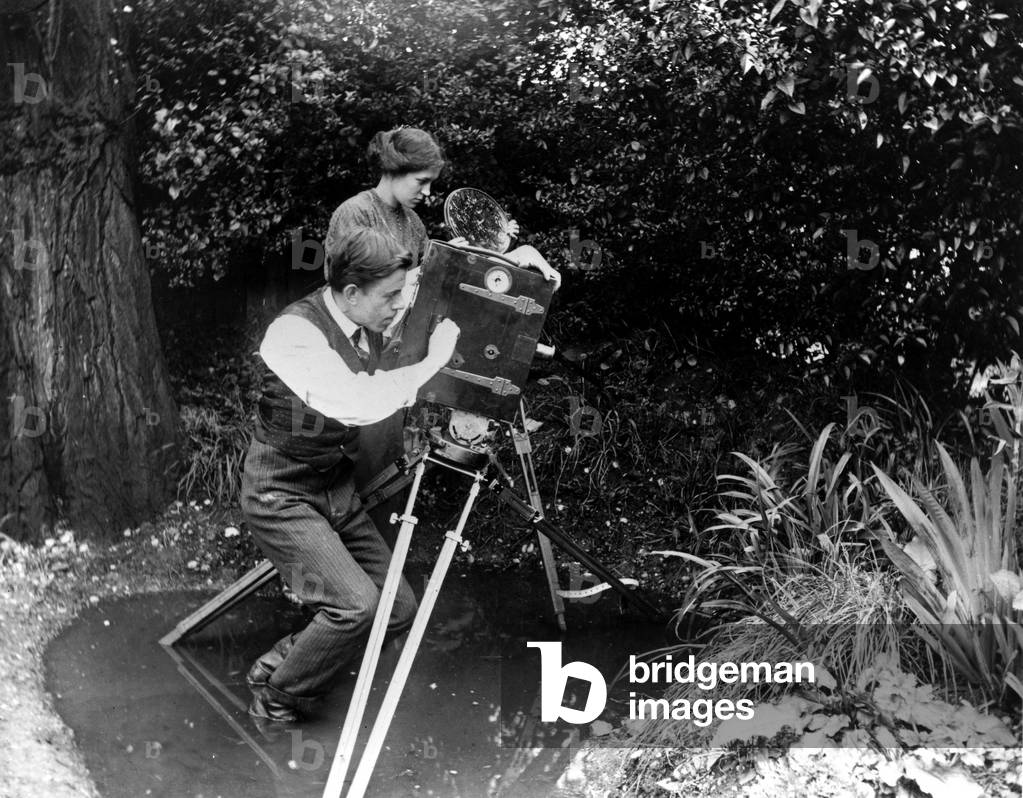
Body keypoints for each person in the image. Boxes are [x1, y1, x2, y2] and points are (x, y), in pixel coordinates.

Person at [240, 227, 460, 722]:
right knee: (355, 607)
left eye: (404, 292)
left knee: (397, 609)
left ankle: (280, 664)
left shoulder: (371, 301)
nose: (401, 305)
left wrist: (518, 255)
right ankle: (276, 703)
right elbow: (356, 402)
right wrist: (434, 362)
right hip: (281, 491)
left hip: (334, 488)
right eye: (391, 297)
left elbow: (438, 271)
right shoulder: (294, 333)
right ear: (351, 292)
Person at [324, 128, 562, 528]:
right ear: (394, 169)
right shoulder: (355, 214)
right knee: (351, 471)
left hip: (391, 361)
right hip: (352, 359)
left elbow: (427, 292)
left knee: (381, 474)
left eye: (432, 183)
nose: (428, 192)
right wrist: (447, 261)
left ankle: (375, 573)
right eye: (421, 181)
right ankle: (345, 572)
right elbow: (355, 291)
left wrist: (498, 253)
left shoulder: (413, 224)